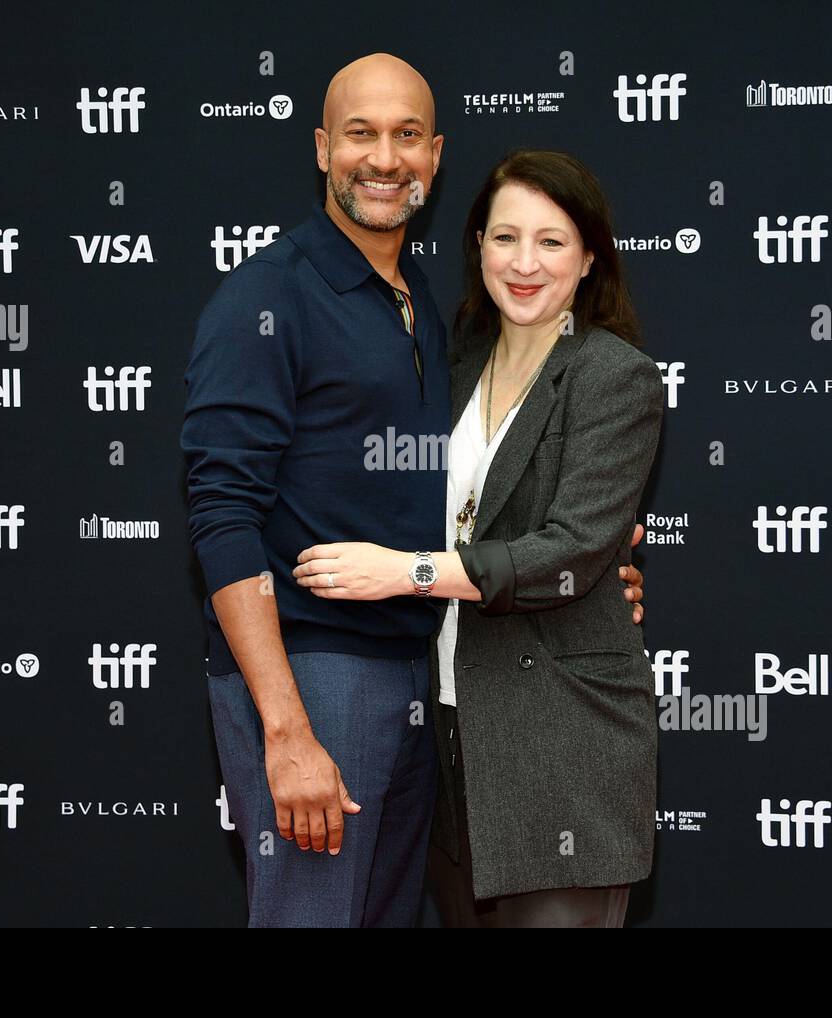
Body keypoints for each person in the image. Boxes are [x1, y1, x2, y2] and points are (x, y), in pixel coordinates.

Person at [181, 53, 647, 928]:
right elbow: (222, 512)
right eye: (361, 134)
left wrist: (591, 571)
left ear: (435, 155)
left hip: (419, 684)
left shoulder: (427, 313)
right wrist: (286, 730)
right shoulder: (266, 299)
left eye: (406, 137)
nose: (384, 159)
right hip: (314, 678)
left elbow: (507, 503)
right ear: (323, 149)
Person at [293, 148, 663, 927]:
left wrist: (408, 573)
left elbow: (570, 549)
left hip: (561, 743)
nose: (525, 263)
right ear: (478, 248)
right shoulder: (448, 367)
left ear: (590, 256)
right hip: (450, 736)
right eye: (505, 238)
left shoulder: (612, 376)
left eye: (552, 241)